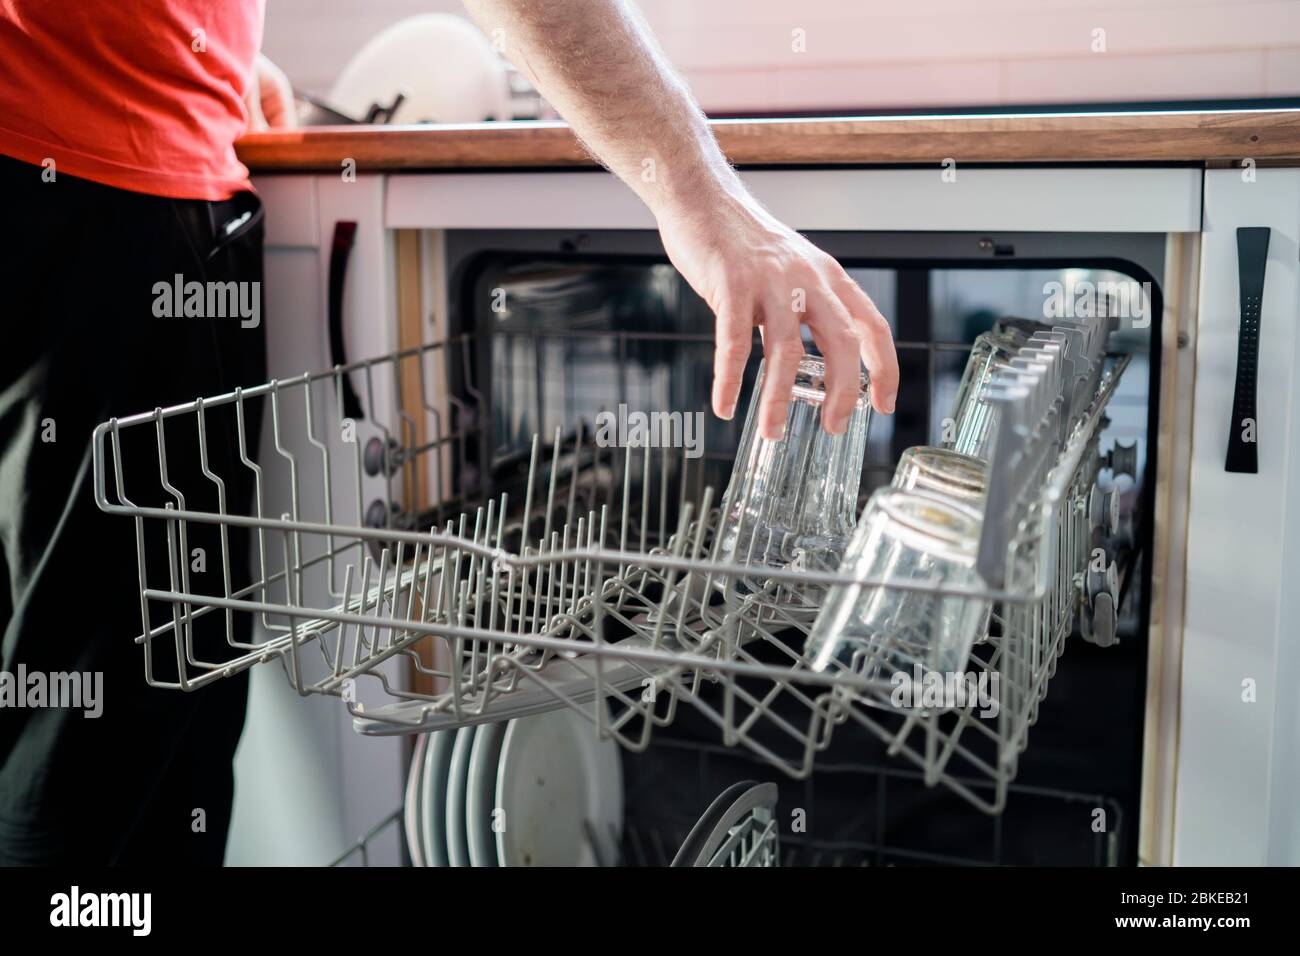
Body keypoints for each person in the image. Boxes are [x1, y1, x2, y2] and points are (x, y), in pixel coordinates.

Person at [0, 0, 897, 865]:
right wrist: (700, 192)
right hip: (98, 190)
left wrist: (198, 52)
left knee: (50, 719)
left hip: (62, 149)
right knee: (99, 775)